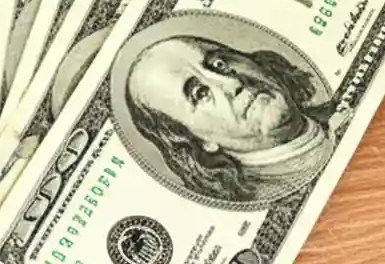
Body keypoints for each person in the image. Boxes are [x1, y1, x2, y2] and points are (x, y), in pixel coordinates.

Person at [124, 34, 336, 204]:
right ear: (199, 141)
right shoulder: (274, 202)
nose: (231, 83)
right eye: (200, 93)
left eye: (218, 64)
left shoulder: (343, 106)